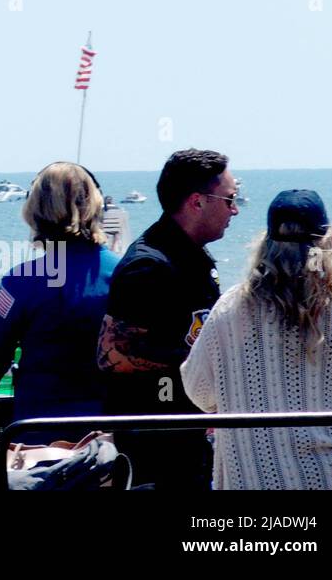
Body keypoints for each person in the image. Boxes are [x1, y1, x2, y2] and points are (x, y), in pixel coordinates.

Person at [182, 190, 332, 489]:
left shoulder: (230, 308)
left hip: (253, 483)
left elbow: (200, 392)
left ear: (265, 246)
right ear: (328, 244)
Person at [97, 148, 236, 490]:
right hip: (155, 441)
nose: (234, 209)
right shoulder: (149, 266)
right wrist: (200, 361)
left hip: (188, 434)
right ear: (197, 201)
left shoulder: (194, 258)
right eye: (229, 199)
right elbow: (112, 355)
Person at [0, 163, 120, 440]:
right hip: (110, 434)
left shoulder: (20, 281)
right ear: (97, 207)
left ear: (35, 212)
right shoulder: (124, 274)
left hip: (38, 435)